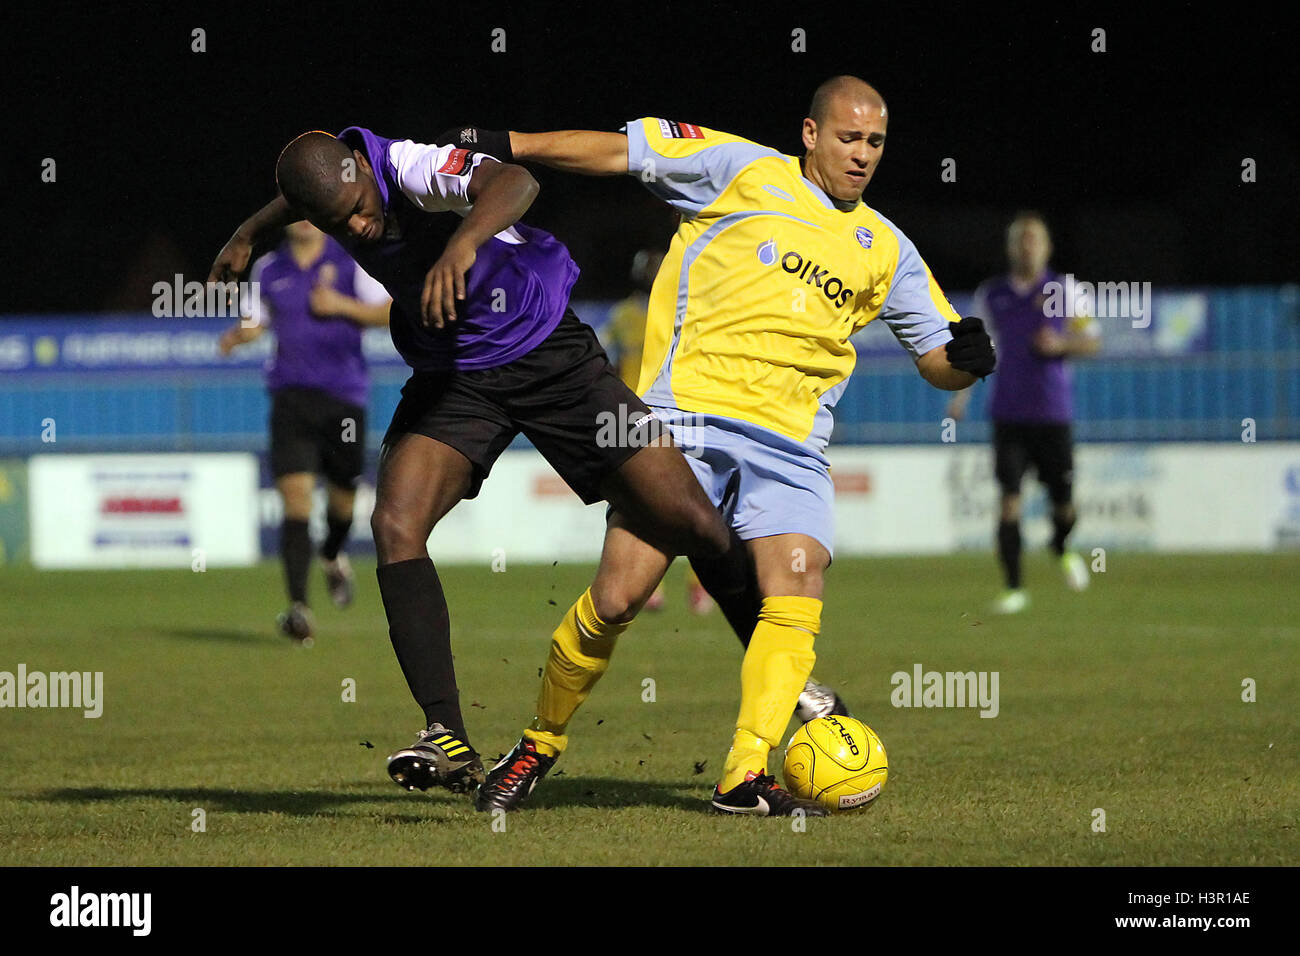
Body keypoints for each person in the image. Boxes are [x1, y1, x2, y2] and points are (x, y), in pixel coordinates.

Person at [469, 75, 997, 816]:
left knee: (797, 589)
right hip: (688, 421)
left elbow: (936, 358)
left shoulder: (888, 249)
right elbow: (622, 153)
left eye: (875, 142)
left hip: (792, 448)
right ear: (810, 134)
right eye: (848, 137)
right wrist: (504, 145)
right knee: (618, 598)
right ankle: (538, 743)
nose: (862, 154)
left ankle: (743, 774)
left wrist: (965, 359)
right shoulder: (740, 168)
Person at [207, 125, 767, 797]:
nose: (355, 225)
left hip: (545, 352)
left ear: (361, 166)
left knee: (692, 522)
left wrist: (463, 242)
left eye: (356, 206)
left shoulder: (410, 167)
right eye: (336, 222)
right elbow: (301, 198)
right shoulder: (332, 192)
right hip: (457, 376)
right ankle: (446, 735)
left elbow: (515, 180)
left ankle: (791, 680)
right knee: (395, 524)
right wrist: (246, 232)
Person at [219, 220, 391, 643]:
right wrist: (241, 336)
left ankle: (332, 554)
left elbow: (390, 312)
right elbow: (258, 320)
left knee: (342, 504)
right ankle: (299, 608)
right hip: (290, 400)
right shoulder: (268, 268)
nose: (300, 215)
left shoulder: (351, 262)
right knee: (295, 505)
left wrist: (341, 306)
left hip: (344, 401)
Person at [947, 212, 1100, 614]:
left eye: (1034, 239)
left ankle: (1061, 544)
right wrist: (961, 396)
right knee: (1009, 502)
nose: (1027, 246)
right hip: (1008, 414)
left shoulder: (1065, 290)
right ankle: (1014, 589)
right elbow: (982, 349)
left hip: (1053, 413)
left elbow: (1092, 341)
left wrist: (1062, 343)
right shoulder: (992, 294)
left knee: (1064, 503)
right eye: (1021, 240)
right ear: (1011, 247)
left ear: (1047, 247)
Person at [606, 248, 714, 615]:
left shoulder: (673, 310)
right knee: (645, 501)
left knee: (679, 501)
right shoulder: (630, 316)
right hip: (637, 414)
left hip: (668, 411)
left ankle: (692, 586)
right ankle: (654, 587)